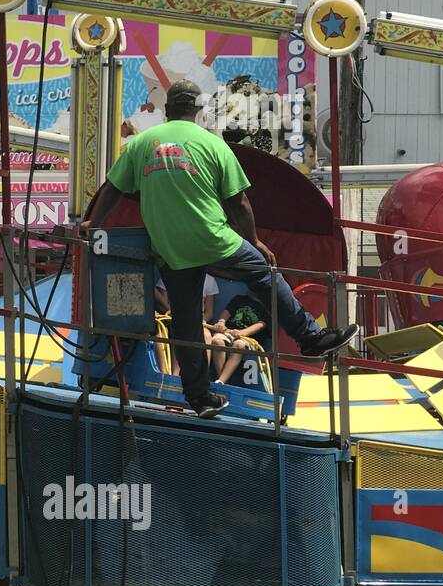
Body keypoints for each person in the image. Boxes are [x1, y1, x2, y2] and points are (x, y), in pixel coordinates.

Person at [82, 79, 356, 419]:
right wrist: (254, 241)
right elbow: (239, 202)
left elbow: (113, 188)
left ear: (168, 110)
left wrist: (93, 224)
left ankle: (198, 396)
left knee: (186, 319)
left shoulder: (143, 143)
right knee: (264, 276)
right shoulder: (212, 144)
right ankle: (310, 337)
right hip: (212, 238)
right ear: (197, 111)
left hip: (169, 247)